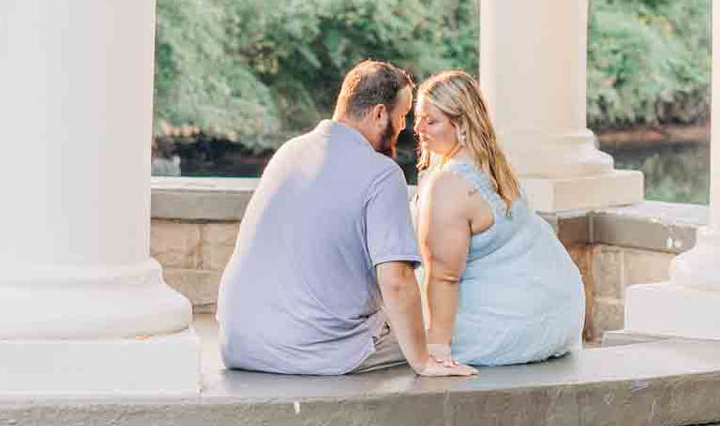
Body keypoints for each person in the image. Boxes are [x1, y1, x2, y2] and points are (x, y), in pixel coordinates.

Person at [216, 59, 474, 378]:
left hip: (239, 344)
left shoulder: (290, 151)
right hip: (311, 352)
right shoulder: (381, 174)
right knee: (452, 336)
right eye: (402, 115)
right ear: (380, 113)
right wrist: (424, 360)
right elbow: (397, 281)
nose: (406, 127)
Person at [413, 70, 585, 367]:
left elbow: (444, 275)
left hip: (506, 329)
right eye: (418, 118)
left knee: (388, 321)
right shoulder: (494, 164)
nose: (417, 128)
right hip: (559, 316)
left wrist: (436, 349)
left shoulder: (450, 184)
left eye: (431, 121)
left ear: (462, 124)